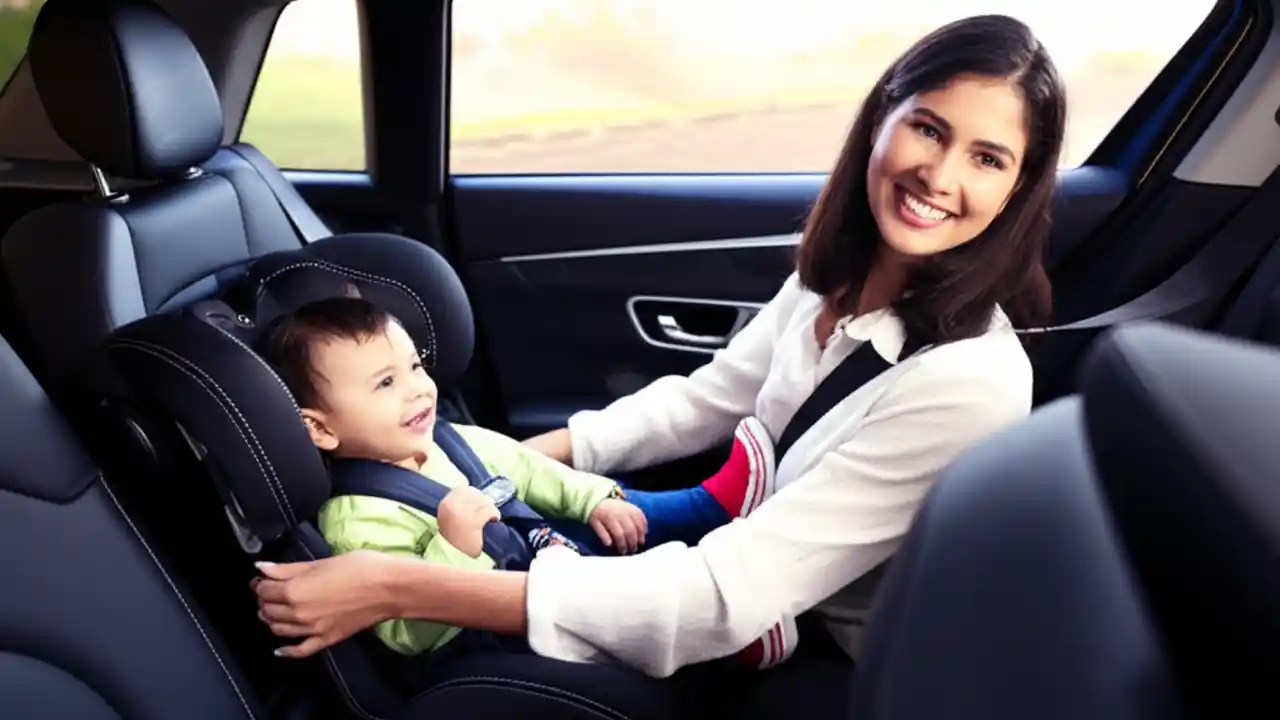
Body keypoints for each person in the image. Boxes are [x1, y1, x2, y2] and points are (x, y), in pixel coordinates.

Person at [253, 12, 1066, 708]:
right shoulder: (841, 278)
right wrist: (468, 464)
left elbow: (720, 600)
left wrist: (393, 585)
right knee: (573, 521)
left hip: (835, 661)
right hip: (756, 572)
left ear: (1019, 189)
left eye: (987, 159)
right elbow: (708, 400)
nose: (939, 173)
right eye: (929, 127)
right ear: (885, 116)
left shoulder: (969, 382)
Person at [257, 296, 787, 666]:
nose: (418, 389)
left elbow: (528, 469)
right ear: (321, 428)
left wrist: (593, 499)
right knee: (614, 600)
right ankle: (723, 634)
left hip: (543, 553)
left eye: (416, 367)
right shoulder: (356, 519)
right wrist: (454, 548)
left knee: (618, 516)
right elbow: (404, 634)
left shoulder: (448, 439)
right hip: (493, 631)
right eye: (386, 383)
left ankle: (714, 512)